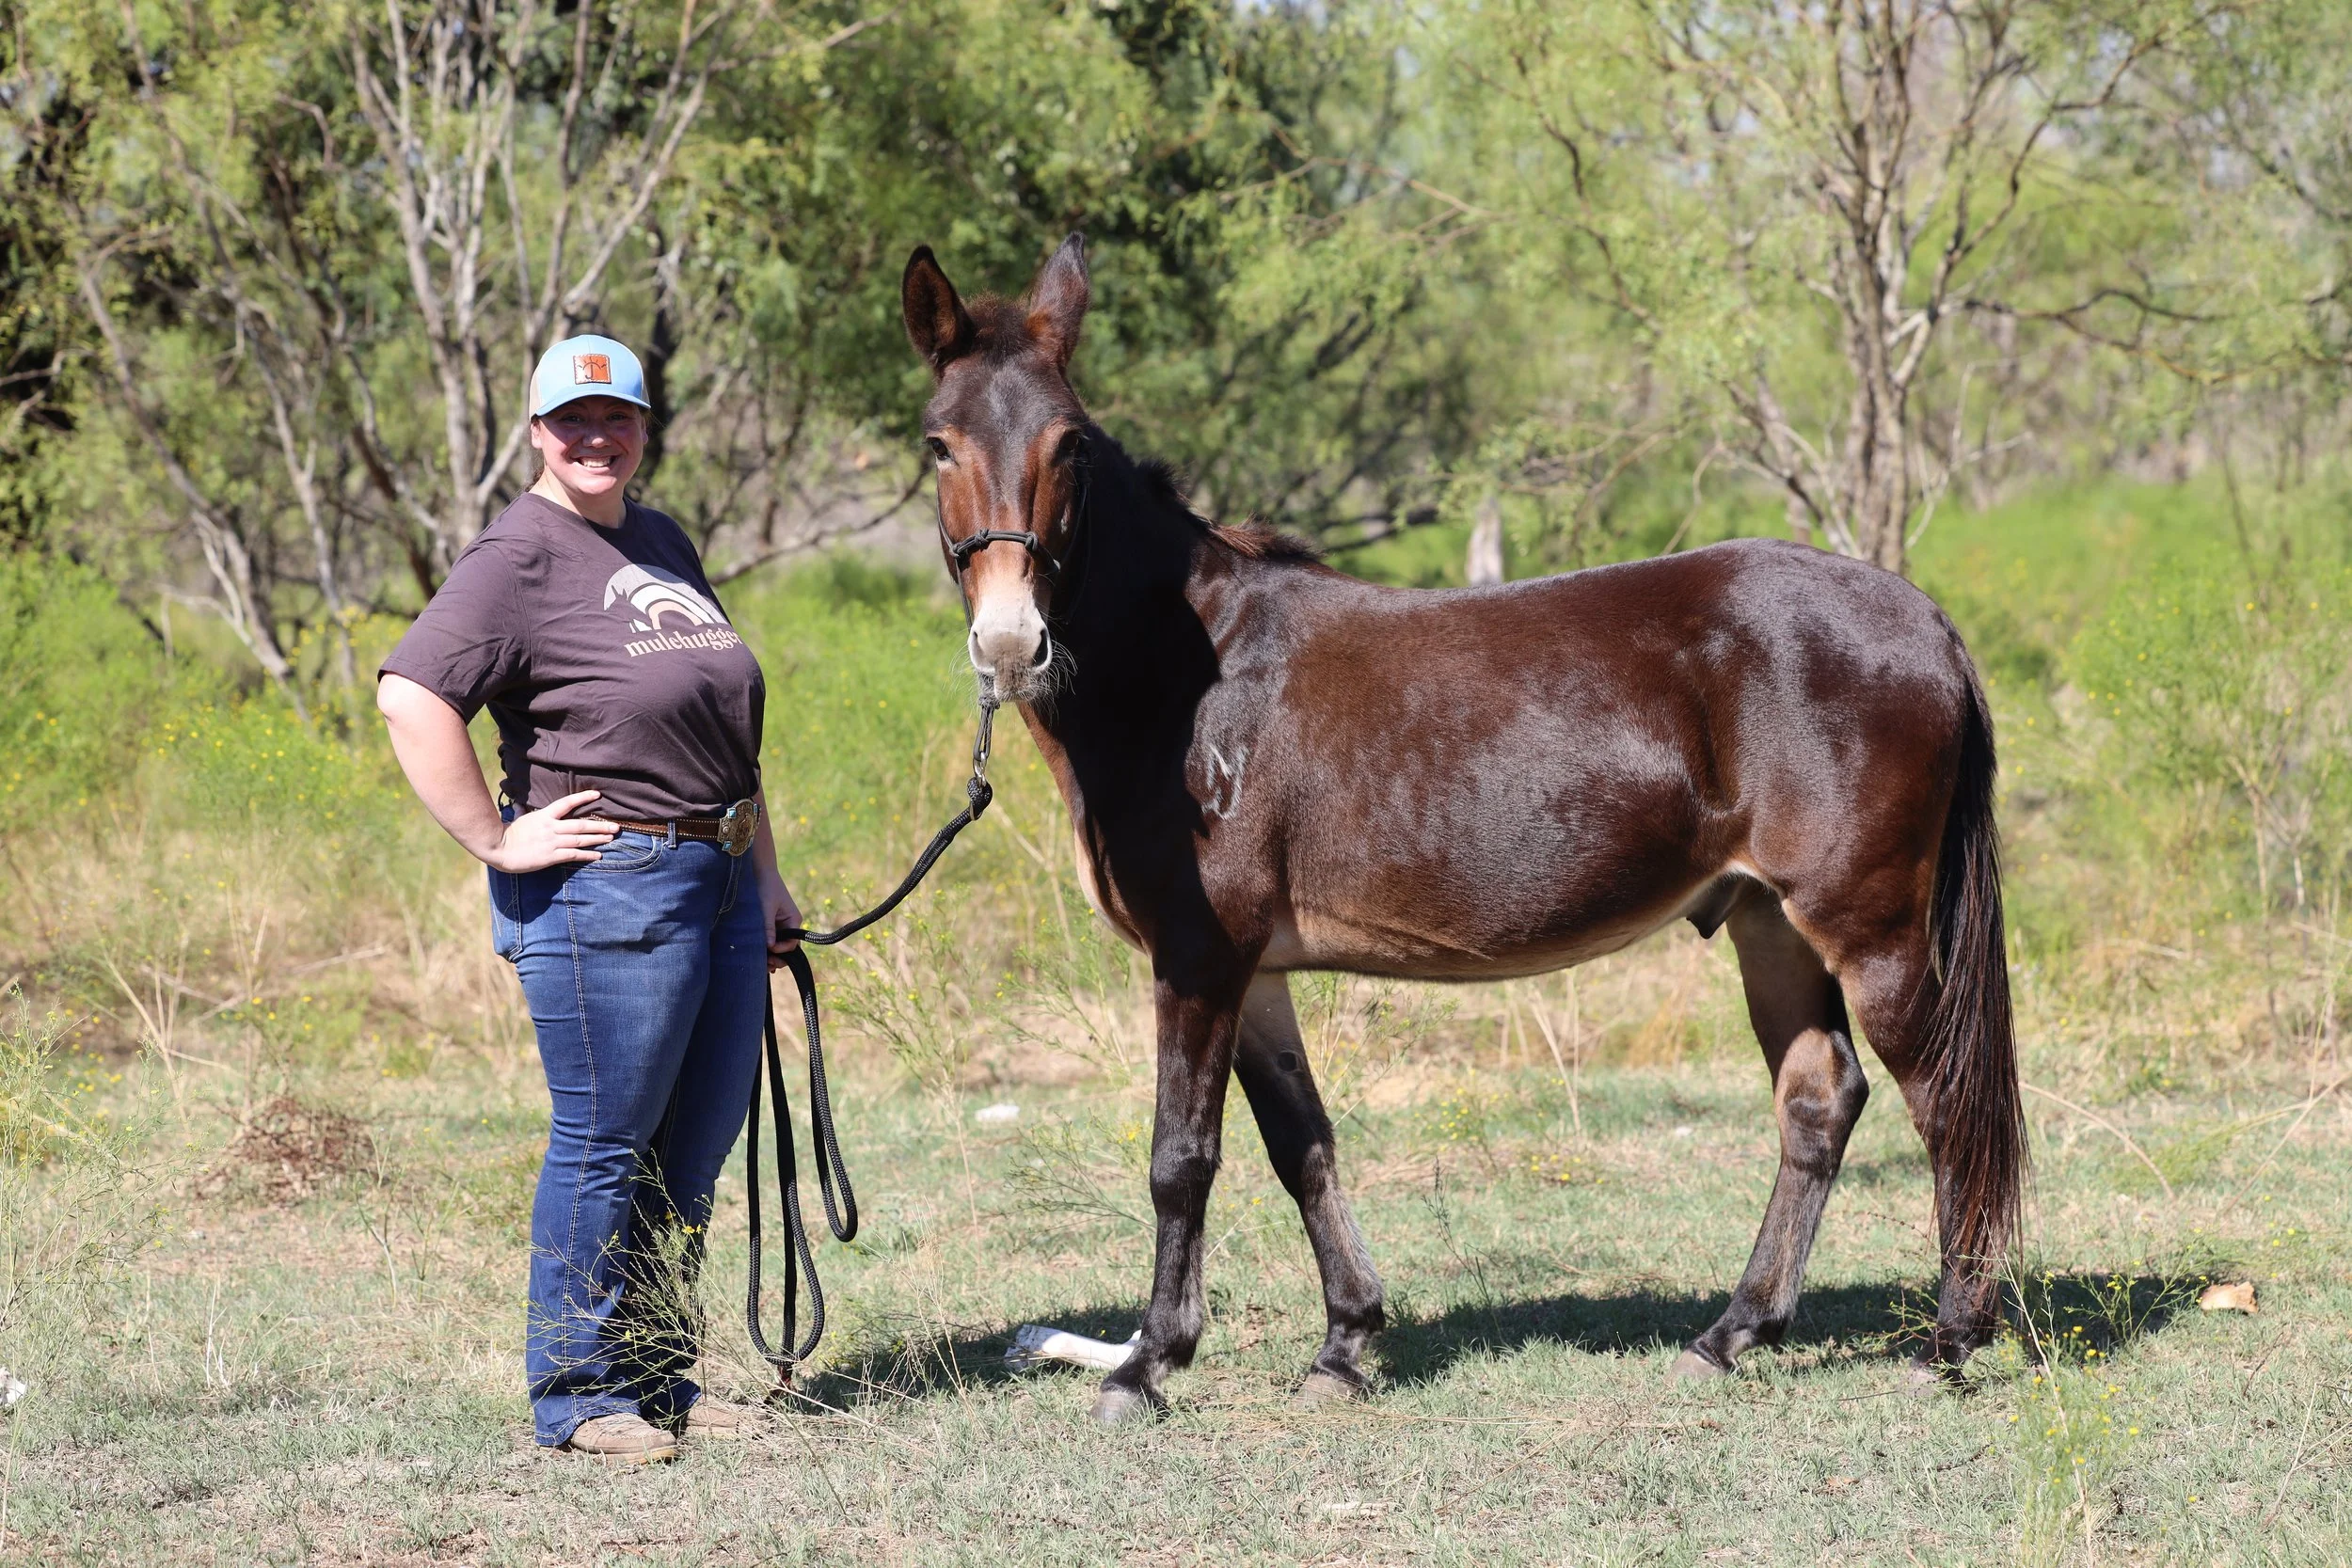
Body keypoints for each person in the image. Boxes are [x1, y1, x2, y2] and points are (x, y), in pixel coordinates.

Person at [377, 335, 802, 1464]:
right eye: (572, 421)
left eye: (616, 418)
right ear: (535, 432)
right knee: (607, 1142)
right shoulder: (517, 556)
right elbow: (411, 692)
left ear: (645, 427)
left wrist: (763, 875)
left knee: (693, 1146)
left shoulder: (660, 539)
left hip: (714, 880)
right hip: (605, 891)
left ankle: (660, 1374)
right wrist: (494, 835)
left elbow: (721, 725)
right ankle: (575, 1392)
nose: (595, 437)